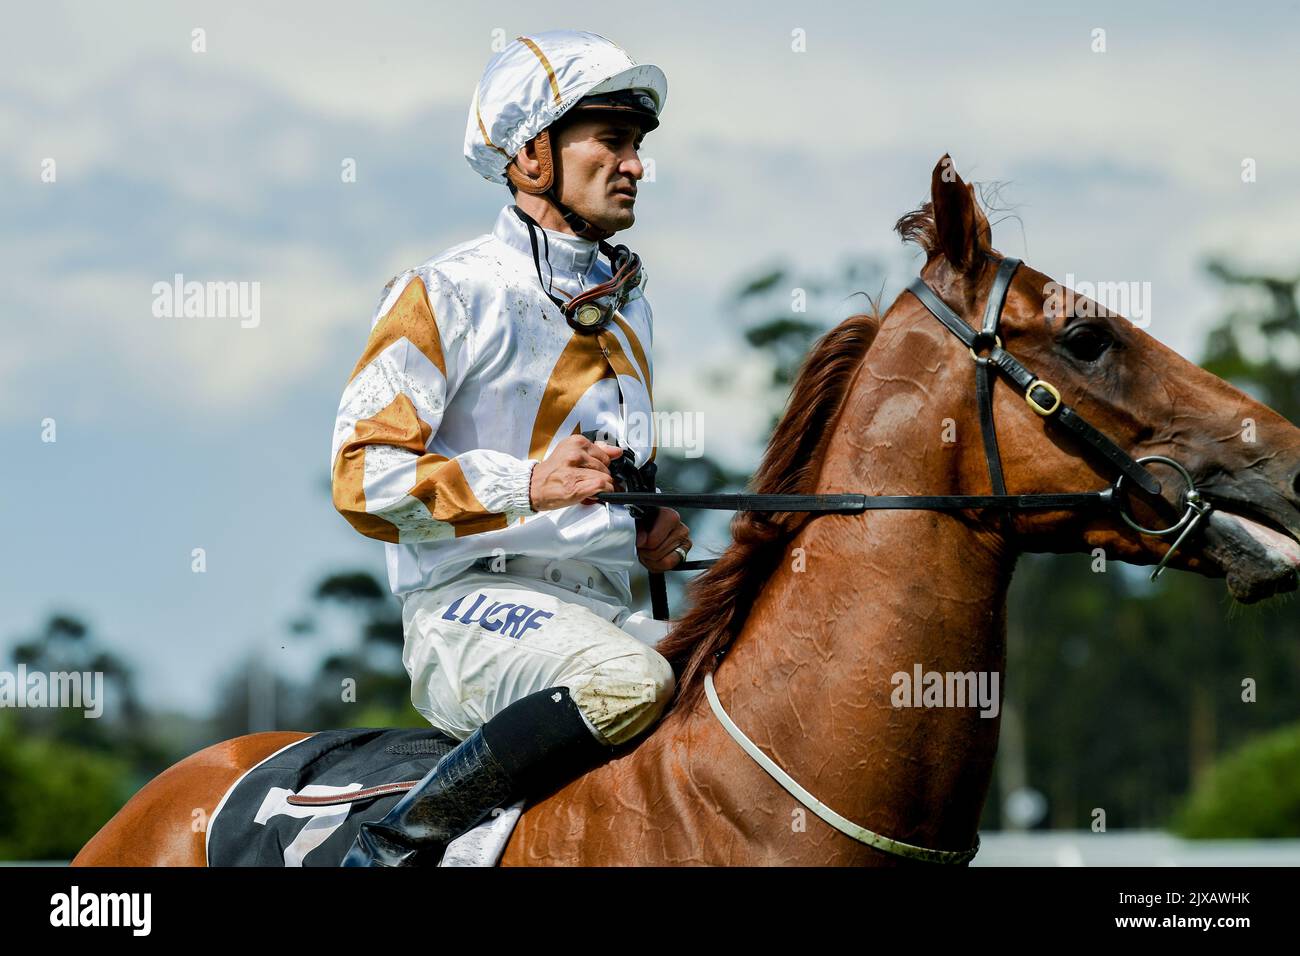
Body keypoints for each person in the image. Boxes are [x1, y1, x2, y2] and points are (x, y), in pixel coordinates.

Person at [328, 30, 691, 866]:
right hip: (467, 612)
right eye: (611, 141)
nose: (635, 166)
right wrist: (528, 484)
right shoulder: (445, 290)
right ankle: (387, 848)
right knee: (631, 684)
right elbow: (359, 480)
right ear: (531, 155)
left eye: (638, 147)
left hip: (596, 612)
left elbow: (593, 484)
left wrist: (643, 524)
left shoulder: (628, 305)